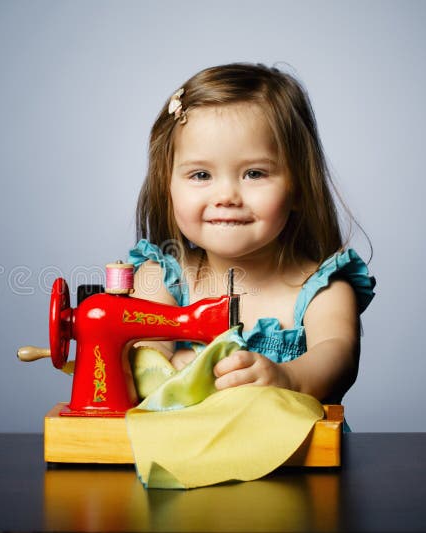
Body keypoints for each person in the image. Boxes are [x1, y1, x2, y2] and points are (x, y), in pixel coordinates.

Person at [129, 63, 375, 406]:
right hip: (182, 457)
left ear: (300, 187)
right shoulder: (161, 280)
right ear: (166, 186)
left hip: (292, 456)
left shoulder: (324, 289)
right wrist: (164, 368)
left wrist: (288, 377)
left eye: (254, 173)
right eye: (201, 175)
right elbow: (140, 359)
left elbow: (337, 356)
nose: (226, 196)